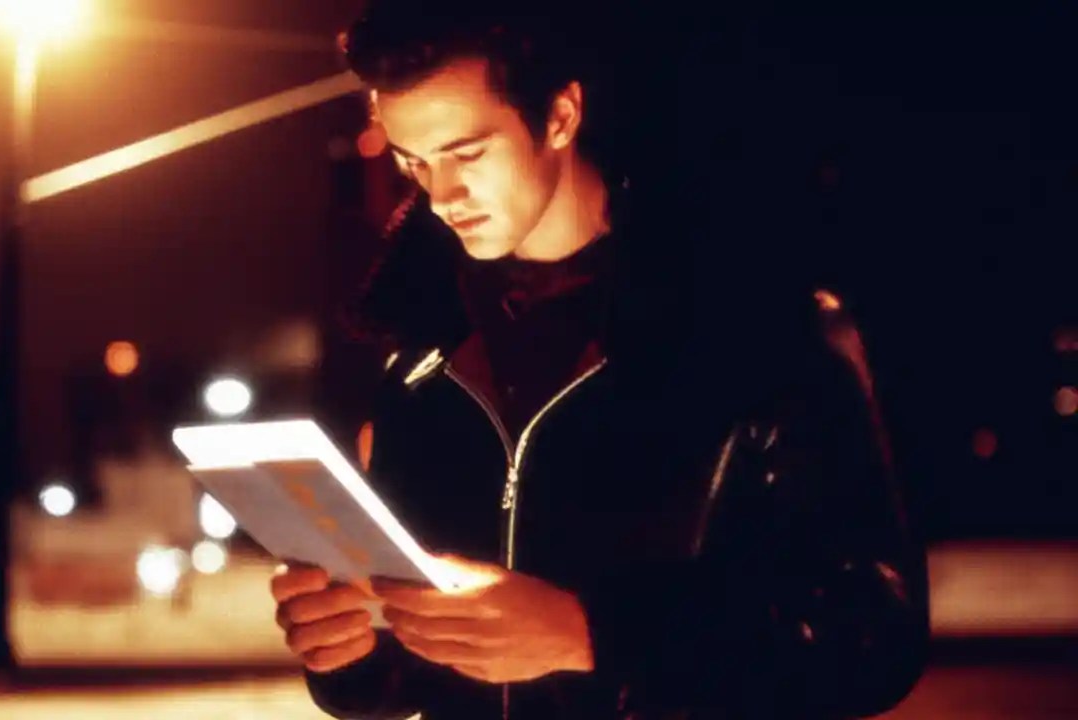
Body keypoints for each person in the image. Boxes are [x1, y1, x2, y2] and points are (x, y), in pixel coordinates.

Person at [271, 2, 929, 718]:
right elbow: (417, 677)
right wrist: (350, 651)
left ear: (559, 116)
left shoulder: (761, 332)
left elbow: (874, 637)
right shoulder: (423, 365)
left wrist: (590, 634)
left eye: (467, 154)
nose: (441, 196)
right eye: (414, 163)